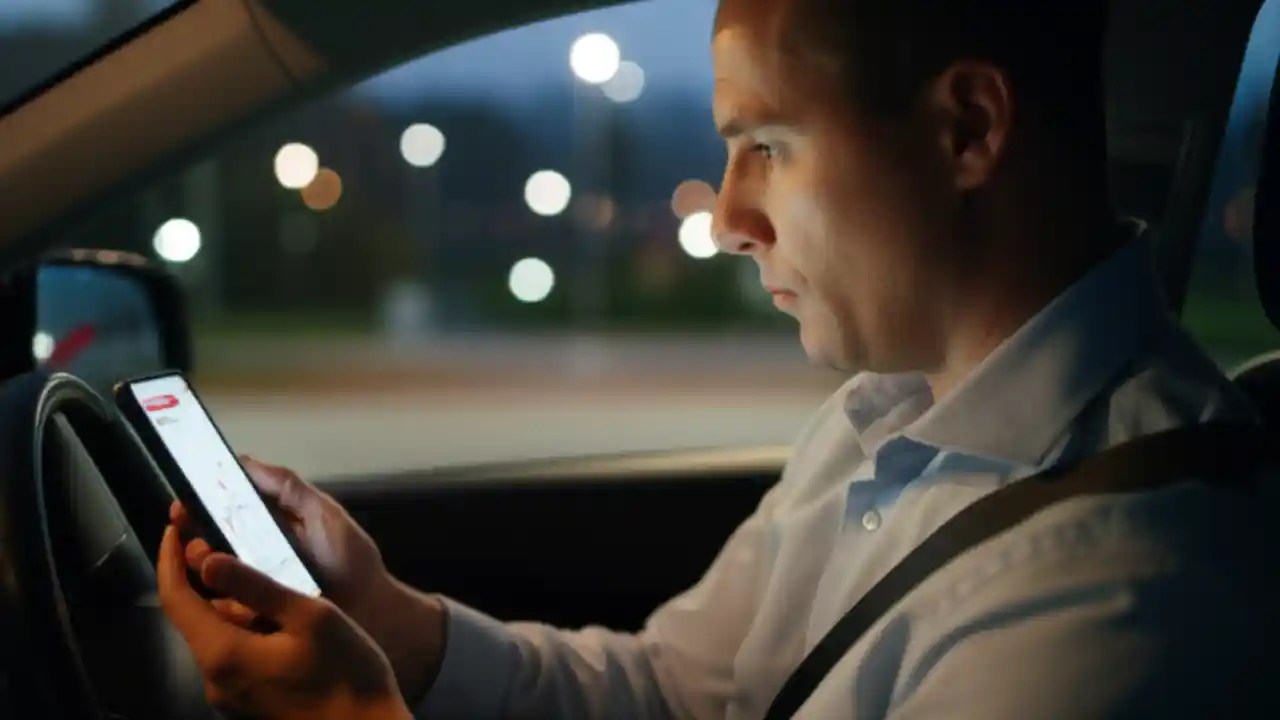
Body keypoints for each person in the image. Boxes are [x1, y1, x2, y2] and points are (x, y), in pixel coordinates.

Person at [157, 0, 1275, 718]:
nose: (729, 215)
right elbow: (685, 694)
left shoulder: (1130, 591)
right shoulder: (883, 419)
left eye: (767, 146)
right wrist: (400, 630)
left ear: (967, 130)